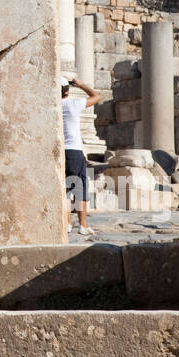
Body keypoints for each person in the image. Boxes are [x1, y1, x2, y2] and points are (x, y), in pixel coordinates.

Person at [61, 76, 101, 237]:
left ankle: (67, 224)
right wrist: (81, 84)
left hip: (58, 153)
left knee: (64, 191)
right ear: (67, 90)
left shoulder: (52, 106)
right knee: (80, 188)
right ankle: (83, 224)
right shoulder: (73, 104)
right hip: (74, 151)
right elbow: (97, 97)